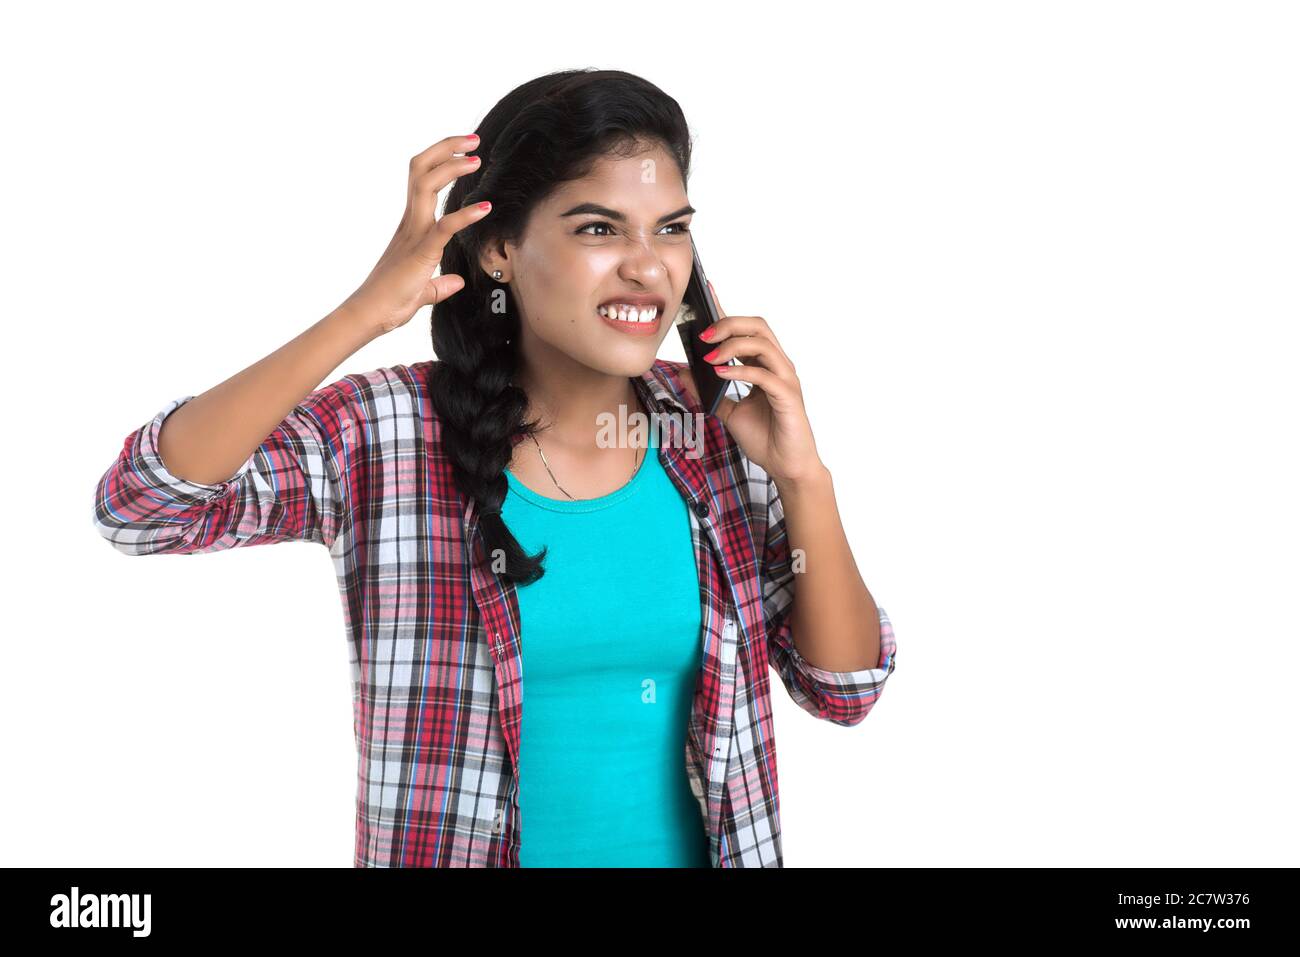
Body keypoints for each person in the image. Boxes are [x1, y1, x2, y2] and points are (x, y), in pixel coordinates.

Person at [93, 68, 897, 868]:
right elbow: (143, 506)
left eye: (670, 229)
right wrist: (362, 313)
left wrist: (803, 477)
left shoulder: (713, 433)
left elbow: (845, 689)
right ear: (500, 251)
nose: (649, 268)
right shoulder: (387, 431)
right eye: (599, 229)